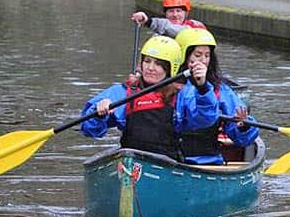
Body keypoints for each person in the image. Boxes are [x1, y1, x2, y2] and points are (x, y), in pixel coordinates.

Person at [80, 36, 218, 159]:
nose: (150, 68)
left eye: (158, 64)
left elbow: (206, 120)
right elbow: (89, 130)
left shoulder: (182, 94)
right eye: (147, 61)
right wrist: (98, 115)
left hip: (167, 164)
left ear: (171, 68)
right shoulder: (122, 92)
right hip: (130, 158)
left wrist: (203, 88)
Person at [175, 28, 260, 164]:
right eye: (197, 55)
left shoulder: (220, 90)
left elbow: (243, 139)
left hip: (207, 161)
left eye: (207, 55)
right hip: (169, 158)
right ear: (183, 56)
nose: (203, 61)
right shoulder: (168, 86)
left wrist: (243, 126)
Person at [131, 0, 206, 37]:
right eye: (171, 11)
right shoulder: (158, 35)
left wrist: (148, 21)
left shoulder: (195, 26)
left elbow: (177, 31)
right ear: (165, 13)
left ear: (186, 13)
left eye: (178, 11)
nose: (175, 15)